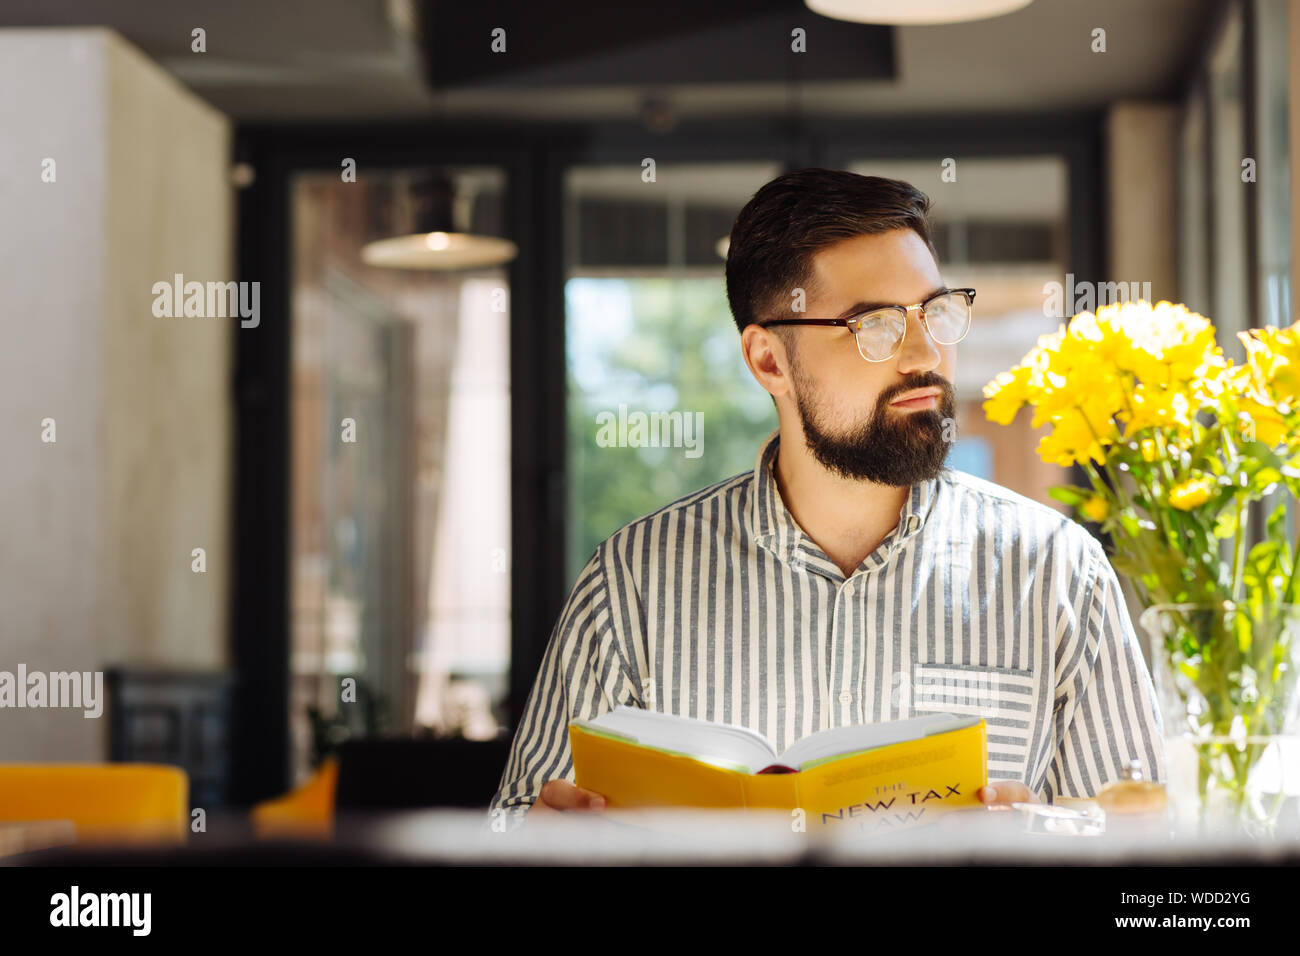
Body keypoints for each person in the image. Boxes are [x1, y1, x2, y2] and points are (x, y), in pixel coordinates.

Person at [488, 167, 1166, 825]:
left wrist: (1043, 838)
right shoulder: (632, 581)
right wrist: (543, 840)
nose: (923, 353)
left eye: (936, 311)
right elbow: (511, 830)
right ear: (768, 361)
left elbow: (1149, 850)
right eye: (875, 326)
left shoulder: (1058, 573)